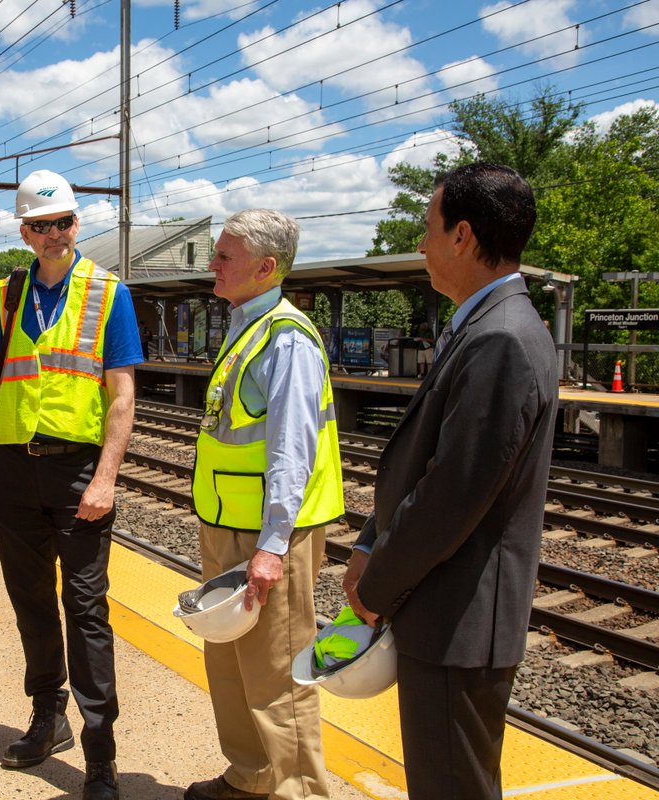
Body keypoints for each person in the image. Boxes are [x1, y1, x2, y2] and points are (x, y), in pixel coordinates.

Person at [343, 164, 559, 799]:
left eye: (428, 228)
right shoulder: (488, 323)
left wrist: (377, 585)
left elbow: (452, 492)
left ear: (462, 236)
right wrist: (367, 542)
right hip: (449, 611)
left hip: (458, 617)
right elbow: (427, 461)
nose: (421, 244)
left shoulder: (500, 338)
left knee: (451, 787)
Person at [0, 169, 143, 800]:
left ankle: (99, 755)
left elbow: (122, 395)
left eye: (60, 223)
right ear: (25, 230)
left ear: (75, 225)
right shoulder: (9, 294)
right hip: (11, 470)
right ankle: (47, 716)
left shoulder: (107, 292)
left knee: (85, 607)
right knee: (31, 598)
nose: (51, 234)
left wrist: (107, 476)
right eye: (38, 225)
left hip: (76, 472)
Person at [184, 210, 344, 800]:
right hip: (227, 522)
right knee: (229, 662)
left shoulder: (287, 337)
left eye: (224, 256)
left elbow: (291, 452)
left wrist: (273, 547)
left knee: (277, 670)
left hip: (271, 535)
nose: (212, 265)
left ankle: (297, 791)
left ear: (265, 267)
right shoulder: (244, 325)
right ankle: (251, 777)